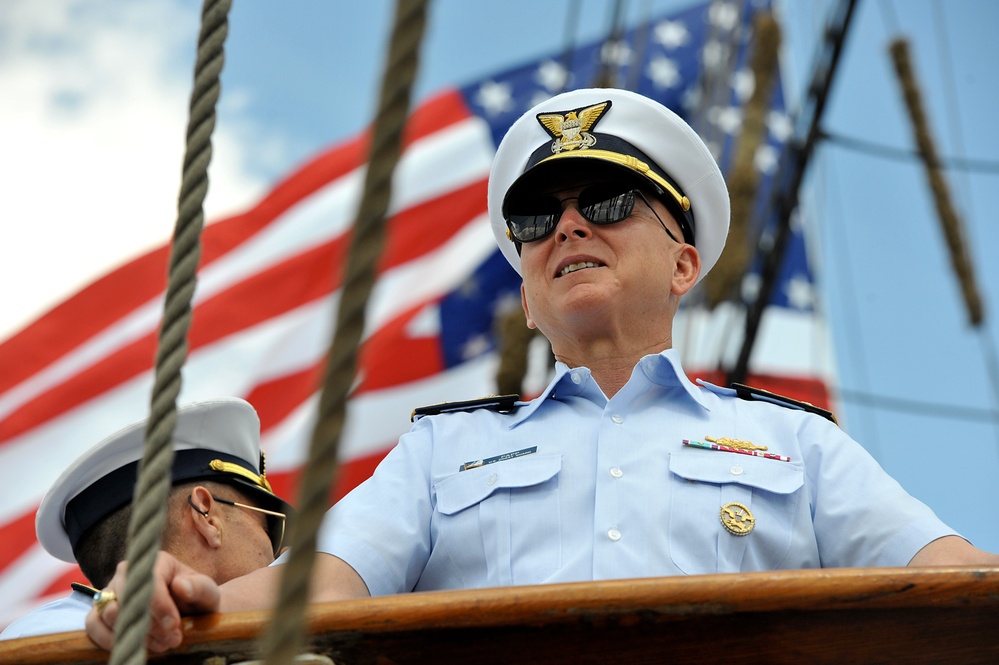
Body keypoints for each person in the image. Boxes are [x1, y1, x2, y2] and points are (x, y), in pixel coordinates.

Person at [85, 88, 999, 652]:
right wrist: (177, 591)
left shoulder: (794, 441)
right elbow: (322, 582)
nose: (567, 226)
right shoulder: (439, 452)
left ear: (683, 265)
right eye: (537, 220)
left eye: (604, 202)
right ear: (526, 294)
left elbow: (951, 578)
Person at [1, 397, 292, 640]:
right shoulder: (54, 637)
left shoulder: (38, 637)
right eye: (271, 525)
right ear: (207, 515)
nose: (277, 552)